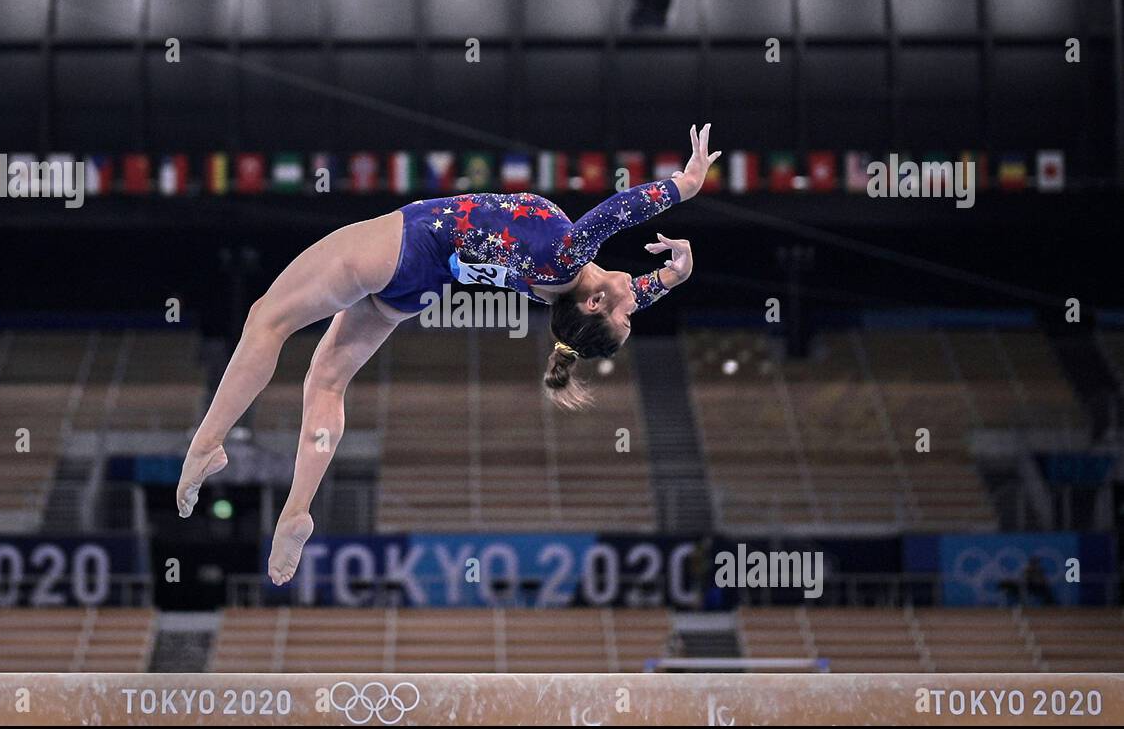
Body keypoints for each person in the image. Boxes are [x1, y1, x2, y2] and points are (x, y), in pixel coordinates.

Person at [177, 125, 721, 585]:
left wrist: (684, 185)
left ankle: (207, 443)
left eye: (626, 316)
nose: (636, 306)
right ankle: (296, 510)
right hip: (418, 288)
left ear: (596, 302)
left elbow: (613, 214)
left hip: (407, 244)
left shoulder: (563, 259)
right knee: (326, 382)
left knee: (265, 320)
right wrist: (674, 276)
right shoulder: (562, 284)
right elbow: (623, 298)